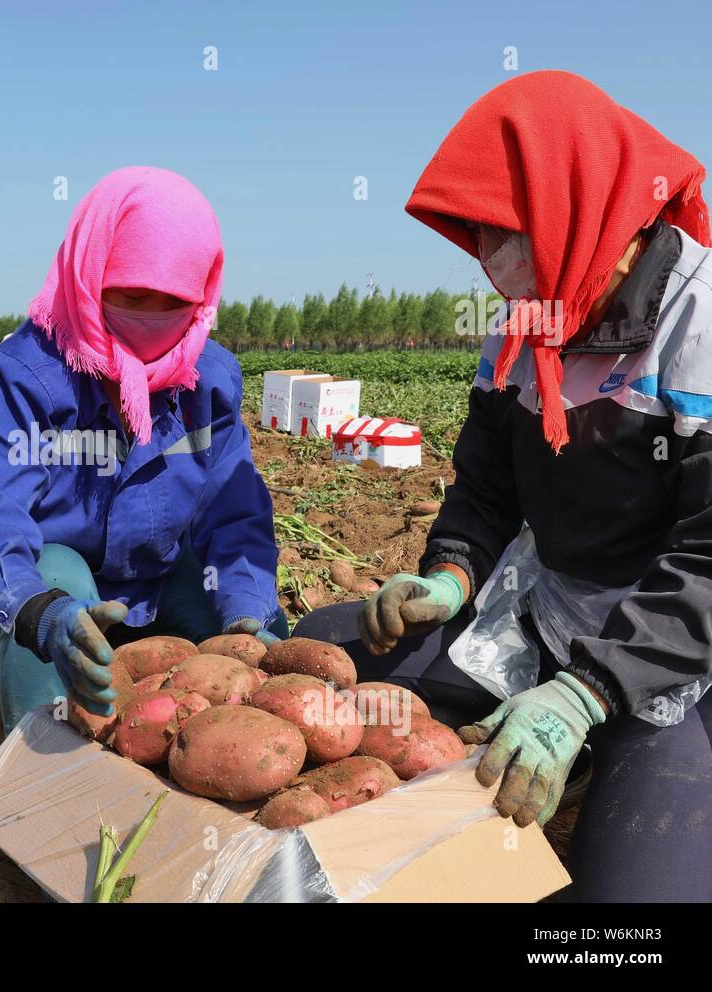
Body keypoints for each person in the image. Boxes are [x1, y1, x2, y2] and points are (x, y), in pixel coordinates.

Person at [293, 72, 712, 902]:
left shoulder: (697, 323)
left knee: (635, 902)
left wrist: (589, 690)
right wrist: (449, 575)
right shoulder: (530, 316)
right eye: (477, 236)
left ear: (576, 199)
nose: (489, 261)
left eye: (501, 231)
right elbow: (485, 486)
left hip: (677, 655)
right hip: (549, 613)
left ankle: (603, 755)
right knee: (327, 658)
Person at [0, 166, 285, 733]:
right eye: (131, 295)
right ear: (90, 275)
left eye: (172, 302)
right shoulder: (27, 376)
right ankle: (41, 775)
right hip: (54, 587)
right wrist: (38, 611)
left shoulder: (210, 380)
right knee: (58, 577)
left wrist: (247, 613)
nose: (151, 317)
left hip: (160, 576)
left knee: (227, 629)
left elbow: (233, 512)